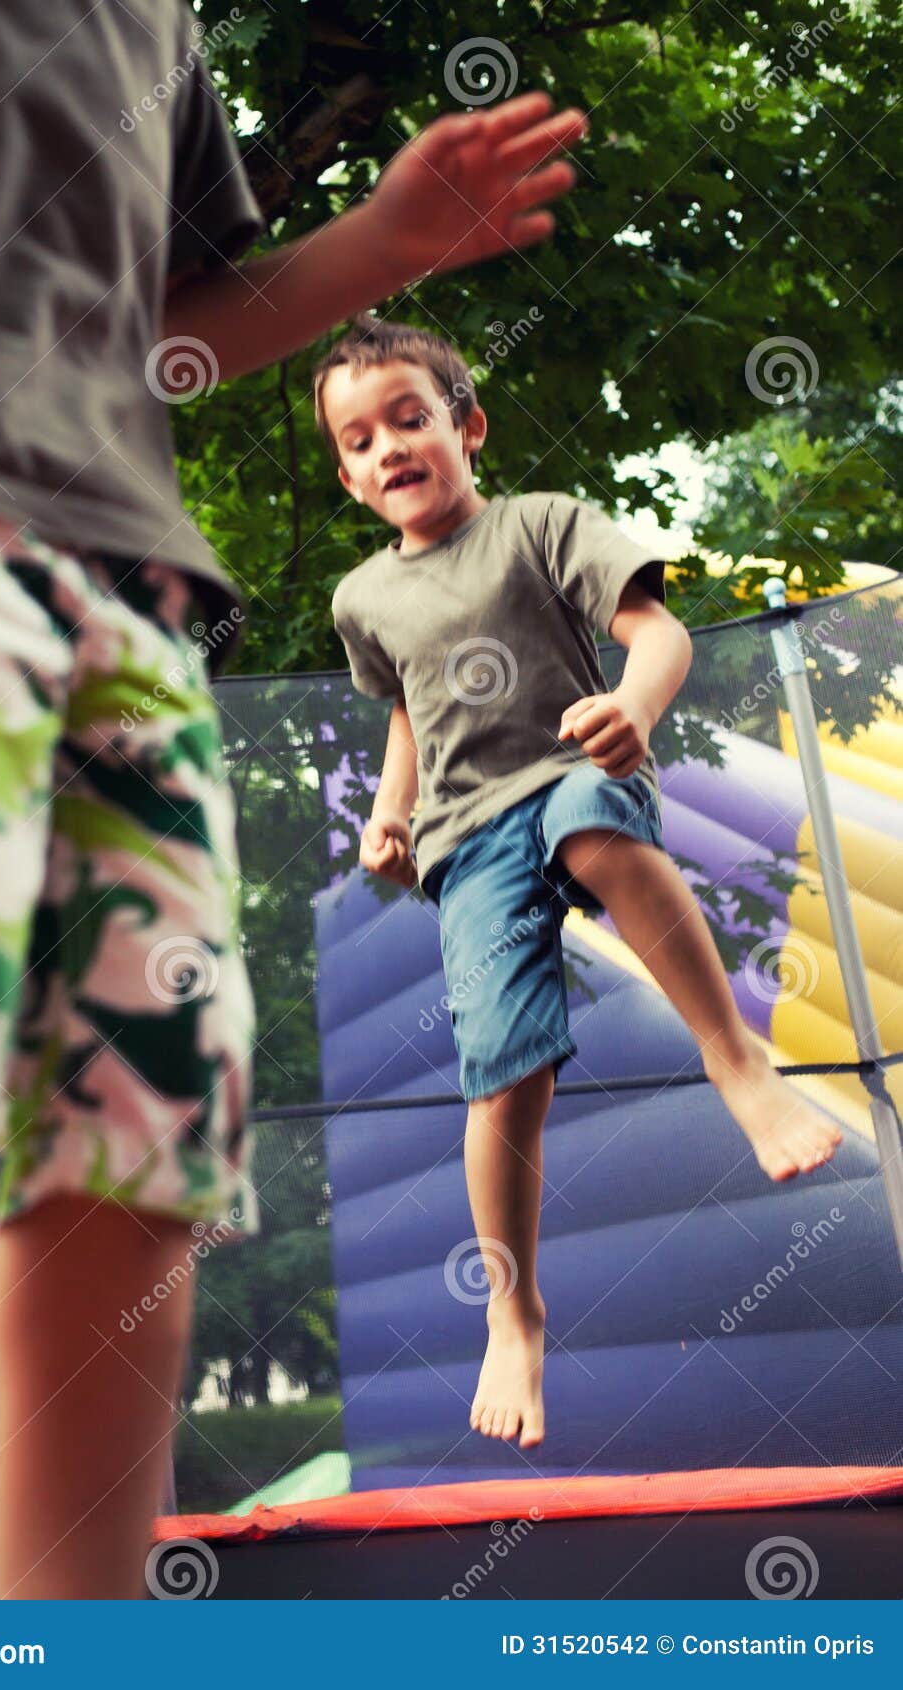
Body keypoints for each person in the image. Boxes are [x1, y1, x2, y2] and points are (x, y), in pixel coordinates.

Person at [0, 2, 587, 1598]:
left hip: (127, 590)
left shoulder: (154, 21)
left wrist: (383, 242)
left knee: (138, 1151)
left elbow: (170, 325)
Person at [320, 313, 844, 1452]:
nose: (388, 447)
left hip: (570, 770)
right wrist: (387, 812)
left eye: (410, 418)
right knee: (503, 1081)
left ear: (467, 426)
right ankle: (512, 1309)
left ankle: (731, 1056)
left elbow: (655, 632)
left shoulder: (538, 524)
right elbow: (409, 706)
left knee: (586, 831)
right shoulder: (360, 598)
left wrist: (631, 708)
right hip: (463, 840)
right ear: (349, 476)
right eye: (358, 439)